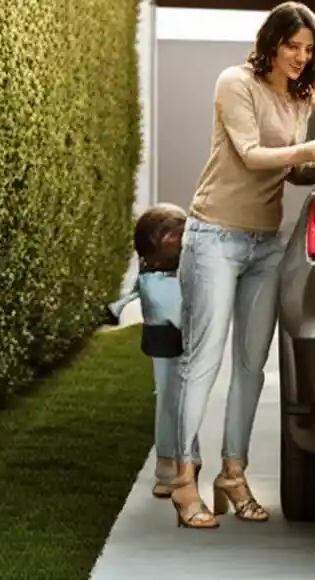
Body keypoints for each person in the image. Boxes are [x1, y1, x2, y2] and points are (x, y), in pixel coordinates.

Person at [170, 1, 315, 529]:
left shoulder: (298, 98)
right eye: (291, 45)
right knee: (203, 360)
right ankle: (184, 480)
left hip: (265, 243)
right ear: (271, 43)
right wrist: (308, 150)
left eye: (308, 49)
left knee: (253, 365)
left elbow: (288, 171)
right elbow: (252, 155)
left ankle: (233, 474)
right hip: (215, 235)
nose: (300, 57)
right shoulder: (236, 83)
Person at [107, 203, 203, 499]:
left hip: (184, 337)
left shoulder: (177, 274)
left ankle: (186, 462)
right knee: (169, 401)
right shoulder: (151, 278)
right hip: (164, 337)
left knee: (182, 401)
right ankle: (171, 464)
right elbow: (151, 298)